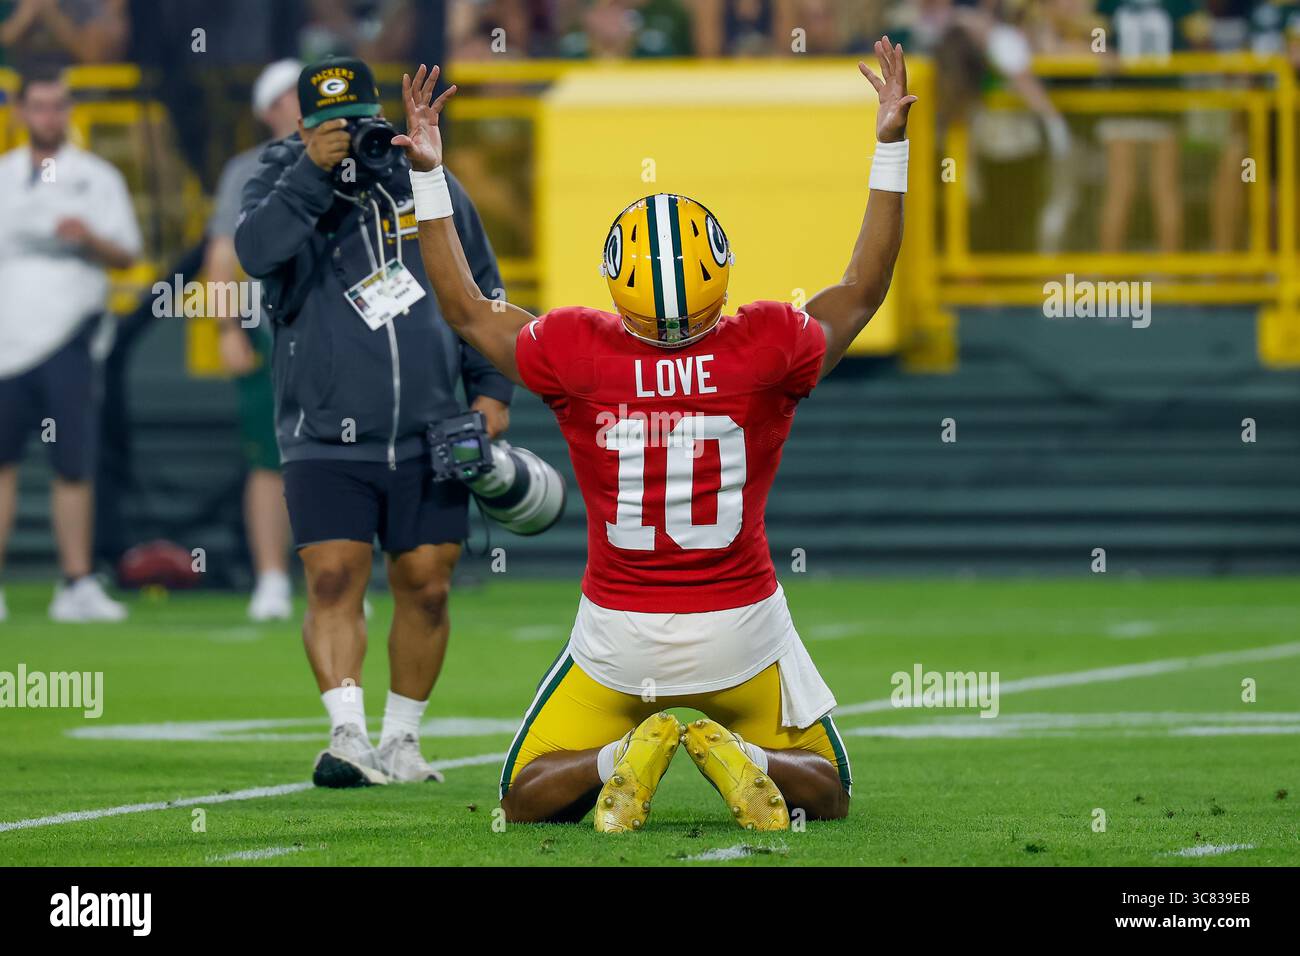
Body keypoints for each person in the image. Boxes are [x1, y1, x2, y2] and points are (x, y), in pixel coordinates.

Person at [394, 38, 916, 830]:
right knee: (828, 791)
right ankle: (745, 756)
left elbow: (465, 308)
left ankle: (620, 756)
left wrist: (429, 174)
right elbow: (865, 287)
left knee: (525, 796)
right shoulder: (767, 345)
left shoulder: (577, 350)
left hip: (621, 636)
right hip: (741, 628)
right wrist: (890, 146)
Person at [234, 57, 514, 788]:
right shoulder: (278, 179)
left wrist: (491, 389)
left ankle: (402, 741)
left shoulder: (423, 176)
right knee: (332, 578)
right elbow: (256, 253)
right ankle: (347, 735)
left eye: (356, 121)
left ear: (377, 115)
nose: (346, 136)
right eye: (328, 126)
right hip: (324, 429)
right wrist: (312, 173)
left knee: (428, 584)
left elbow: (484, 288)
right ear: (302, 127)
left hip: (430, 427)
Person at [0, 69, 141, 623]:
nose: (48, 116)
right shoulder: (3, 176)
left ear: (70, 110)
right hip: (6, 342)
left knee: (73, 465)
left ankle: (76, 583)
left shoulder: (97, 178)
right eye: (39, 106)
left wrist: (89, 239)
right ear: (19, 111)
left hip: (70, 339)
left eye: (58, 105)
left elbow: (127, 255)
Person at [204, 59, 302, 622]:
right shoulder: (246, 171)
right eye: (289, 95)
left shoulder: (354, 158)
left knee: (349, 458)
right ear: (268, 109)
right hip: (273, 333)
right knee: (268, 461)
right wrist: (227, 329)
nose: (301, 103)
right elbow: (222, 257)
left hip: (346, 338)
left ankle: (341, 573)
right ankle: (270, 577)